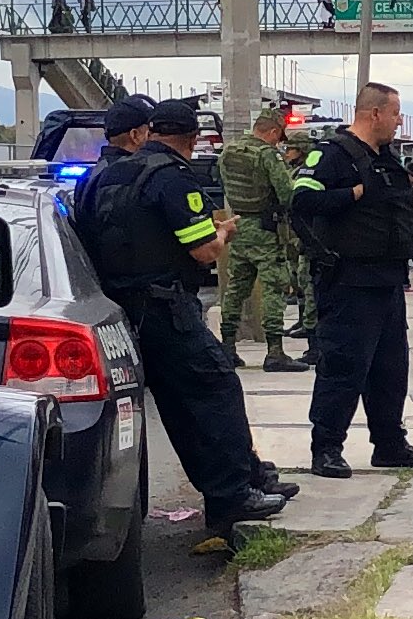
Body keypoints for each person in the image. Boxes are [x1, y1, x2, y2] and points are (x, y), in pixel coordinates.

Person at [86, 100, 288, 531]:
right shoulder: (172, 177)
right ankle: (233, 495)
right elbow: (204, 250)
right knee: (217, 389)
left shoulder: (102, 177)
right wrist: (223, 232)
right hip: (166, 307)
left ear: (151, 131)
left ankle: (244, 480)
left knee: (180, 406)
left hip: (118, 313)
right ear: (193, 139)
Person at [290, 83, 413, 479]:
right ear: (375, 114)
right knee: (343, 366)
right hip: (348, 280)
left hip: (387, 279)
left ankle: (389, 444)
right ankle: (326, 448)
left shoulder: (386, 159)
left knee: (391, 369)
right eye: (395, 113)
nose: (399, 121)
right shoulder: (333, 154)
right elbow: (301, 201)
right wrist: (352, 193)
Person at [216, 108, 308, 372]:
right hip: (266, 230)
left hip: (239, 226)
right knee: (274, 287)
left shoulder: (229, 152)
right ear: (274, 131)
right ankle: (275, 351)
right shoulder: (268, 155)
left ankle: (228, 347)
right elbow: (287, 194)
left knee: (236, 288)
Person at [71, 94, 157, 248]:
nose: (157, 139)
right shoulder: (138, 176)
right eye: (151, 133)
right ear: (135, 135)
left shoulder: (88, 177)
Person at [281, 132, 319, 354]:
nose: (287, 153)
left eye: (291, 149)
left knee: (307, 282)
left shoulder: (307, 173)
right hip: (293, 235)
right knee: (297, 280)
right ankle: (304, 321)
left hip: (304, 235)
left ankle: (312, 335)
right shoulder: (293, 170)